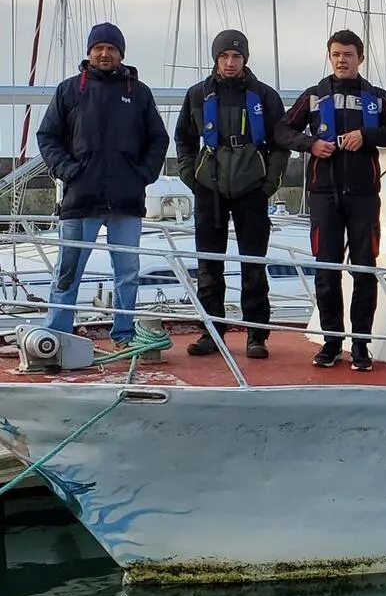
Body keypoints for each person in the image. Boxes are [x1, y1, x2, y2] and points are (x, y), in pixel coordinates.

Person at [275, 29, 386, 370]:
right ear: (330, 57)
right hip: (324, 196)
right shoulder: (314, 96)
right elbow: (281, 130)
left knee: (364, 270)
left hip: (364, 197)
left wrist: (366, 136)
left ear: (360, 58)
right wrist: (310, 144)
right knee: (327, 271)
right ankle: (332, 342)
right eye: (336, 54)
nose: (342, 60)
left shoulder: (376, 98)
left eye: (348, 54)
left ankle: (361, 344)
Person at [36, 22, 170, 348]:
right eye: (99, 48)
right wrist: (68, 170)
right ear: (90, 52)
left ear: (121, 54)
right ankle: (58, 336)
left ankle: (124, 336)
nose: (105, 53)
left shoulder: (138, 93)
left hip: (126, 201)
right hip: (80, 199)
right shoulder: (69, 91)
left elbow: (158, 139)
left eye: (111, 48)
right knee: (68, 271)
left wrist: (143, 174)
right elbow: (48, 136)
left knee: (127, 273)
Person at [174, 29, 288, 359]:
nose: (230, 62)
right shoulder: (198, 94)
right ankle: (212, 333)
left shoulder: (265, 96)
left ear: (245, 59)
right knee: (209, 266)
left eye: (236, 56)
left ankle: (256, 335)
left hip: (252, 187)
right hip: (208, 187)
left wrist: (269, 184)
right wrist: (190, 176)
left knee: (253, 265)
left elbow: (281, 143)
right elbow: (184, 138)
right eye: (224, 56)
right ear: (215, 59)